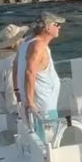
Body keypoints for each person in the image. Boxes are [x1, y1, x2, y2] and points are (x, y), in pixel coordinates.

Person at [13, 12, 66, 143]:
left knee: (43, 136)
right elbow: (29, 72)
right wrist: (30, 103)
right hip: (43, 104)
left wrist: (17, 91)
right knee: (48, 140)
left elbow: (15, 66)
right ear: (48, 27)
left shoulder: (26, 41)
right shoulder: (38, 46)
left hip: (43, 100)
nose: (60, 28)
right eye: (57, 25)